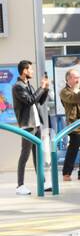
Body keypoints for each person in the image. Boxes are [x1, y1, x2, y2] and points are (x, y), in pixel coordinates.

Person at [11, 60, 49, 196]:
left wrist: (45, 89)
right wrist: (41, 88)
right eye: (30, 69)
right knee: (25, 155)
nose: (32, 72)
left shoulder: (28, 85)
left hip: (37, 125)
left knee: (38, 155)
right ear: (24, 71)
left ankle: (43, 182)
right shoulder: (18, 87)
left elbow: (40, 101)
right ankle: (20, 185)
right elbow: (30, 101)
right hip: (27, 125)